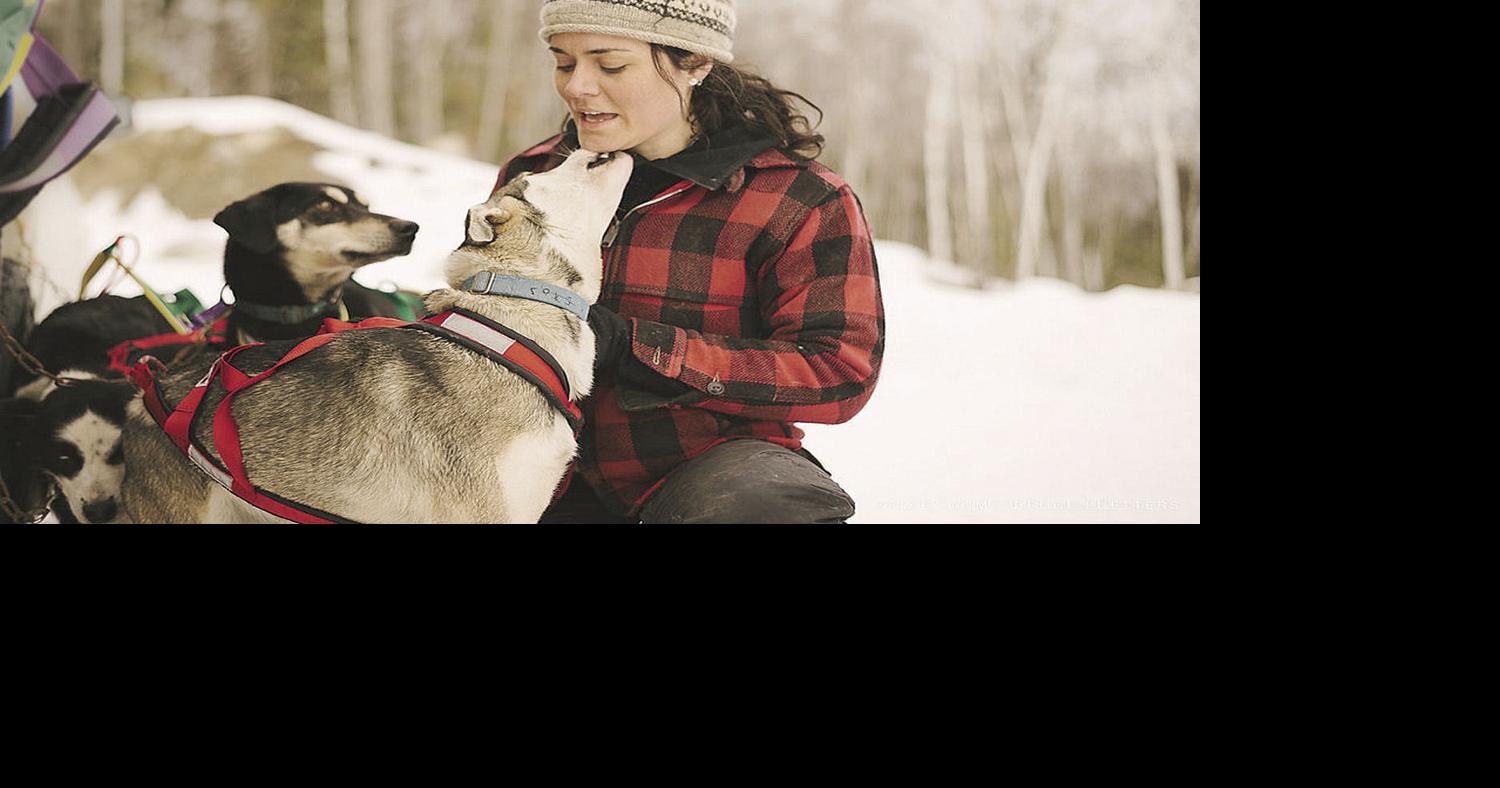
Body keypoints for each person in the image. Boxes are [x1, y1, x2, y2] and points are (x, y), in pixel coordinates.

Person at [496, 0, 884, 524]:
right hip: (532, 466)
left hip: (702, 476)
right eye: (564, 62)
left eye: (610, 64)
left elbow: (838, 371)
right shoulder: (537, 174)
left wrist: (635, 348)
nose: (576, 87)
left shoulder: (801, 200)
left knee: (762, 506)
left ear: (696, 63)